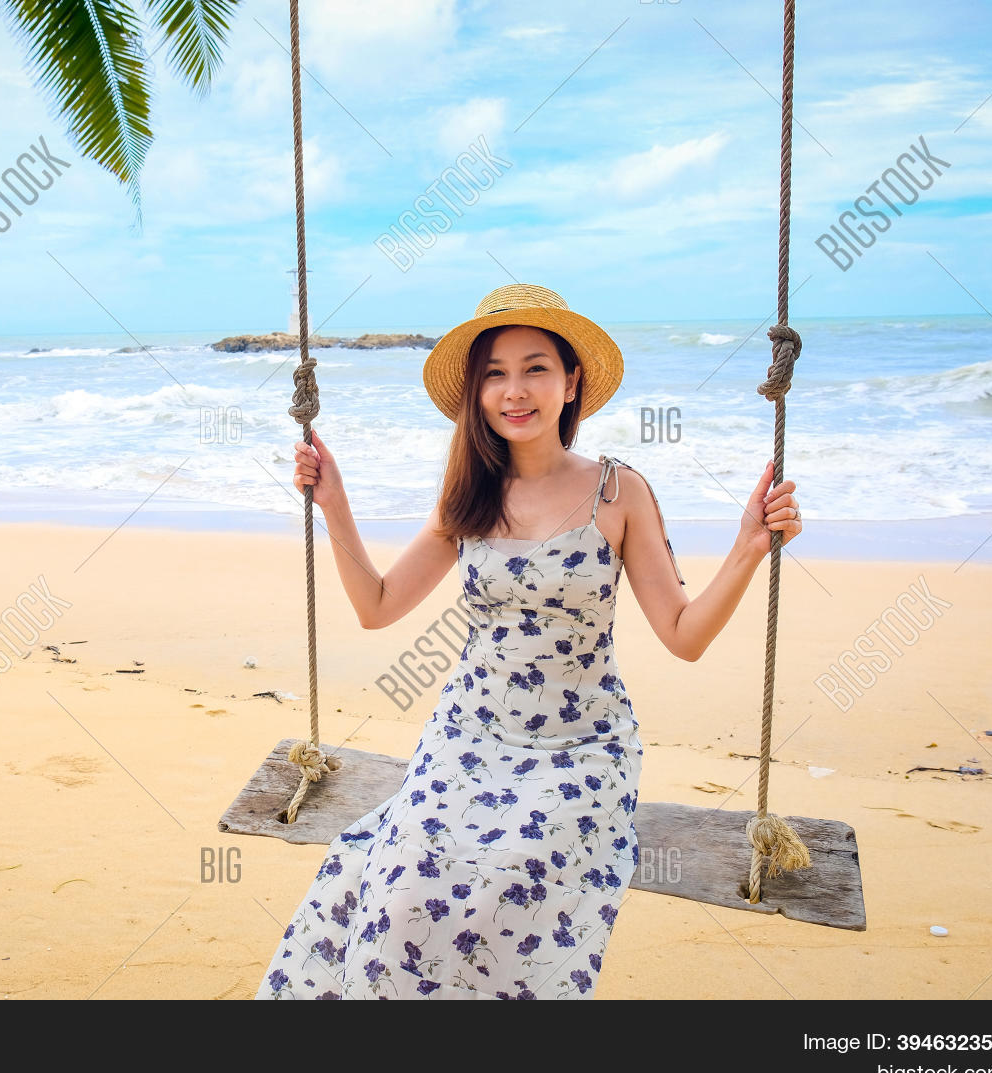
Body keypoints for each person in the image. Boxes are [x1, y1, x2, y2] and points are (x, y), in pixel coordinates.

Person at [256, 284, 802, 1000]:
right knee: (399, 895)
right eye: (495, 373)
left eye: (536, 368)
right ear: (478, 392)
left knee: (514, 884)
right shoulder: (470, 498)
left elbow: (683, 634)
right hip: (470, 734)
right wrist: (335, 504)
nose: (515, 391)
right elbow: (378, 604)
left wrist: (748, 549)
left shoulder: (619, 492)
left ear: (571, 382)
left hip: (582, 746)